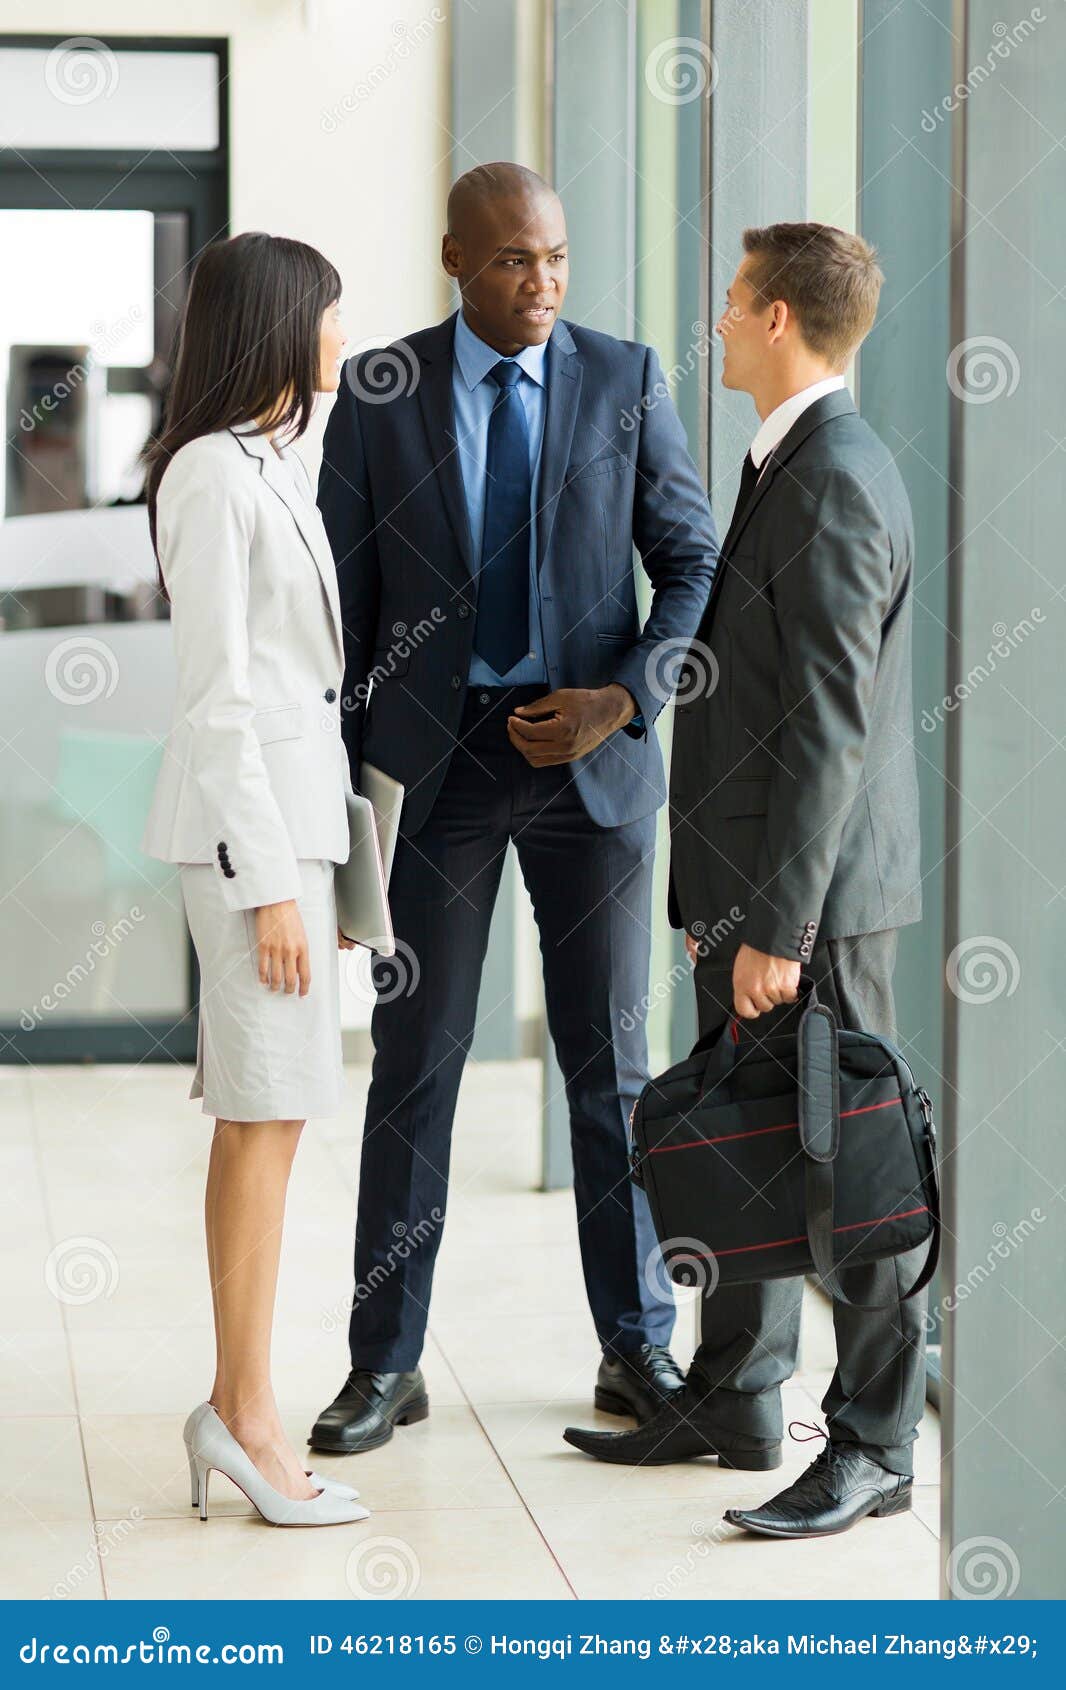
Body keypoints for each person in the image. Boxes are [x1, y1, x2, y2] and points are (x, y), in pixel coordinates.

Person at [309, 163, 719, 1457]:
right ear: (452, 260)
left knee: (609, 1065)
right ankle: (385, 1362)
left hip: (590, 768)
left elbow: (691, 560)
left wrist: (624, 698)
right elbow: (344, 601)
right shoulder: (380, 392)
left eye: (551, 257)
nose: (538, 282)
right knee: (415, 1067)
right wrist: (338, 792)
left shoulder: (626, 376)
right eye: (508, 262)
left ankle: (635, 1344)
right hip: (435, 768)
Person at [563, 222, 926, 1540]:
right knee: (753, 1146)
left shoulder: (831, 475)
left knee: (846, 1169)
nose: (714, 322)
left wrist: (779, 927)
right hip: (756, 893)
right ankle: (733, 1394)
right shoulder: (796, 458)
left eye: (730, 302)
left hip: (807, 904)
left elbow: (831, 722)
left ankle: (877, 1441)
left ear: (776, 318)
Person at [141, 231, 368, 1528]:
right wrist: (272, 884)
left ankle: (240, 1405)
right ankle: (245, 1414)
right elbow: (222, 699)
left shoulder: (266, 464)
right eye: (330, 315)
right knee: (259, 1112)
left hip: (287, 837)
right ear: (283, 325)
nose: (343, 336)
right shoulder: (214, 481)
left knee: (270, 1114)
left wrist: (315, 873)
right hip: (250, 846)